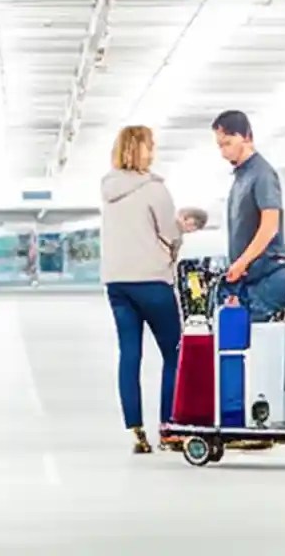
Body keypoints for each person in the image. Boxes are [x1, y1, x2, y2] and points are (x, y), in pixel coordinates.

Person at [100, 125, 184, 454]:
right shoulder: (155, 189)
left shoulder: (108, 190)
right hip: (151, 280)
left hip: (118, 283)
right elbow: (170, 232)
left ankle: (136, 430)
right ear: (143, 149)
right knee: (174, 352)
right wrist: (176, 244)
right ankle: (169, 427)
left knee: (130, 354)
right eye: (152, 145)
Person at [211, 110, 285, 320]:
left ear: (245, 136)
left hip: (267, 279)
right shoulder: (241, 176)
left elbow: (270, 226)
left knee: (256, 346)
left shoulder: (263, 174)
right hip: (248, 279)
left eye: (227, 143)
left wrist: (241, 263)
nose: (223, 152)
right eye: (220, 146)